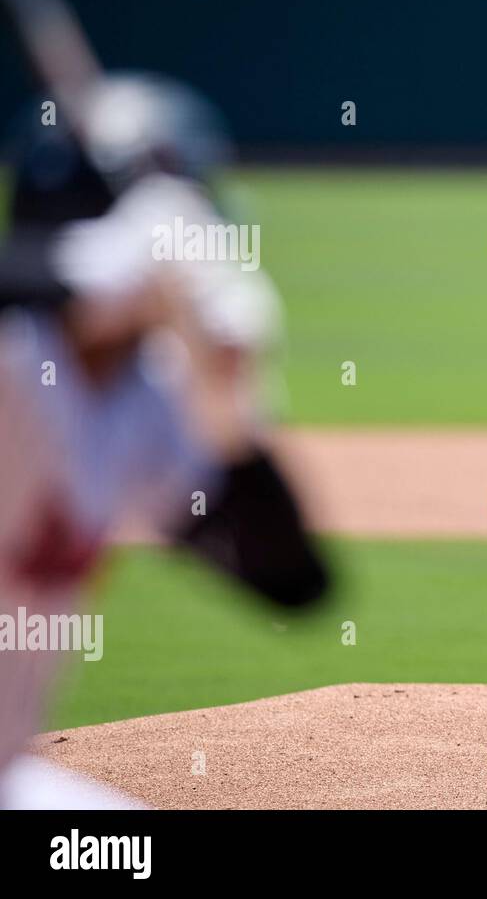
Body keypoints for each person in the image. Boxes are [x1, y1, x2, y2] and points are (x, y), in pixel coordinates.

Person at [0, 75, 330, 808]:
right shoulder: (16, 359)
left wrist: (229, 409)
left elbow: (293, 581)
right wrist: (109, 263)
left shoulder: (138, 401)